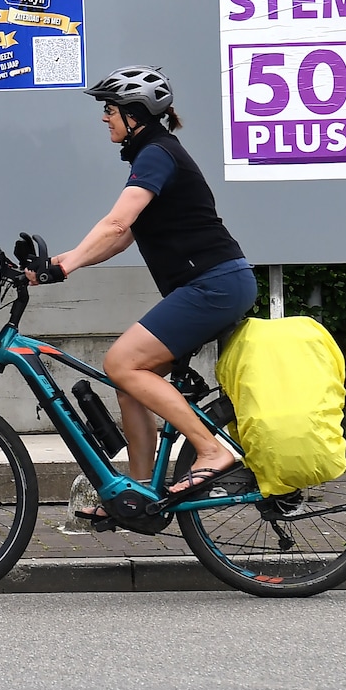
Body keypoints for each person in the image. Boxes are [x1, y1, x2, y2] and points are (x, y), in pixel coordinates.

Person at [23, 66, 256, 499]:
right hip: (216, 283)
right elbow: (123, 238)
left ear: (135, 114)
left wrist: (66, 266)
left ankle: (211, 450)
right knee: (131, 381)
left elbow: (116, 224)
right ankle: (138, 492)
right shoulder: (155, 154)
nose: (104, 117)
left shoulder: (157, 153)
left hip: (213, 284)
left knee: (121, 363)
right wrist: (57, 264)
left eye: (110, 109)